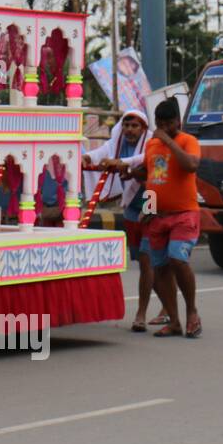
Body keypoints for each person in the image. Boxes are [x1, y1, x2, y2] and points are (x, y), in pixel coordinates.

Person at [83, 109, 168, 331]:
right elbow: (103, 152)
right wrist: (88, 157)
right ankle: (169, 307)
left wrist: (121, 162)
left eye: (135, 126)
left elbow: (144, 159)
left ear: (144, 128)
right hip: (131, 205)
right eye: (127, 125)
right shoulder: (117, 140)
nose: (130, 130)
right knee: (143, 260)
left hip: (152, 199)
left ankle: (140, 314)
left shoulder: (152, 143)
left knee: (146, 258)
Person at [133, 98, 203, 339]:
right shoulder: (151, 146)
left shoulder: (187, 141)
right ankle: (174, 321)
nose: (164, 128)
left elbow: (191, 165)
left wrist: (169, 141)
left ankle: (191, 312)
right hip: (157, 217)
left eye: (169, 123)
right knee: (160, 266)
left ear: (178, 122)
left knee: (177, 259)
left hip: (184, 214)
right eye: (161, 124)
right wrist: (148, 207)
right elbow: (151, 178)